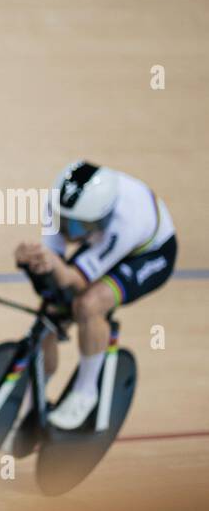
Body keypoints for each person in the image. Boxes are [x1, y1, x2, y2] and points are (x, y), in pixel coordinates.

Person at [16, 160, 176, 429]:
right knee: (51, 313)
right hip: (103, 240)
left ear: (101, 218)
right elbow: (53, 275)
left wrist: (53, 266)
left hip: (149, 254)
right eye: (63, 223)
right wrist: (32, 263)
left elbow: (76, 281)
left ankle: (85, 392)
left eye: (76, 227)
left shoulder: (127, 221)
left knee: (88, 305)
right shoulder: (60, 205)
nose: (67, 232)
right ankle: (35, 397)